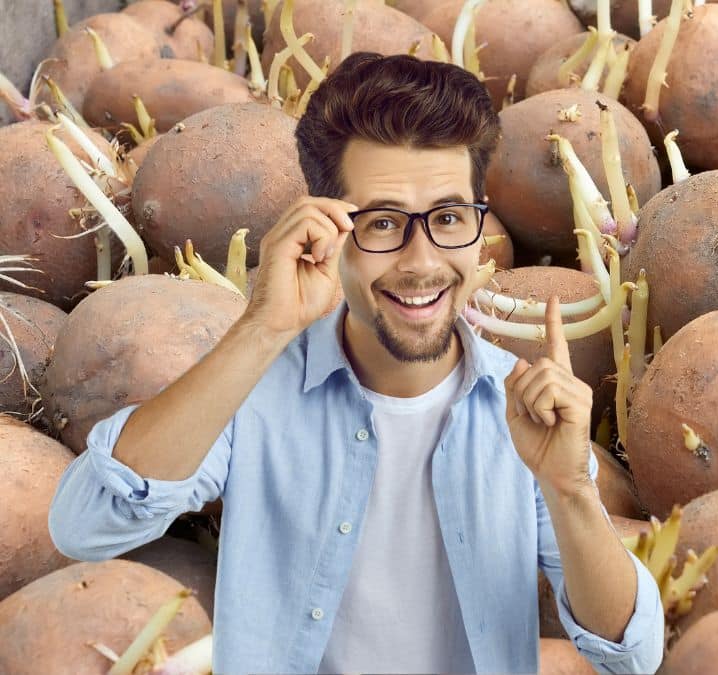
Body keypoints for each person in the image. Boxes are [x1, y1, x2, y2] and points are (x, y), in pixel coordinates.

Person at [47, 52, 664, 674]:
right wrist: (262, 328)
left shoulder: (524, 409)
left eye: (449, 218)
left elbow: (632, 656)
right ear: (325, 227)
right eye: (383, 222)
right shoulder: (258, 389)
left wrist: (571, 489)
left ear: (480, 224)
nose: (422, 261)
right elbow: (88, 523)